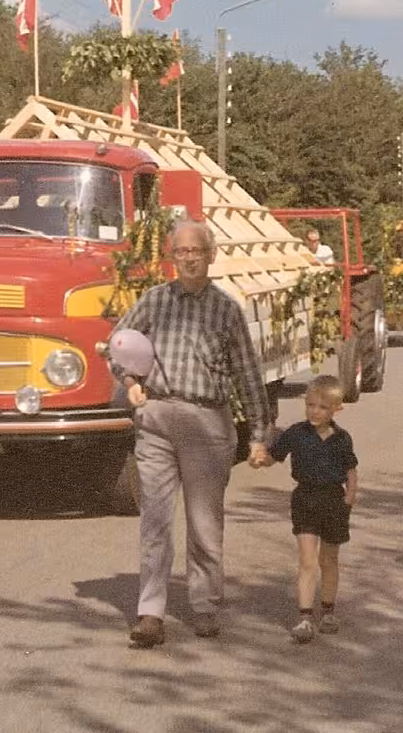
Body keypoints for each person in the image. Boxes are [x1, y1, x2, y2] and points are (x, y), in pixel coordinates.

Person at [112, 219, 273, 648]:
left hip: (208, 424)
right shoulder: (154, 301)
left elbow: (247, 374)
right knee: (156, 521)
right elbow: (119, 341)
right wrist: (129, 381)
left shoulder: (226, 309)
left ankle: (204, 604)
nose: (188, 258)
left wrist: (259, 432)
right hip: (158, 421)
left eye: (196, 251)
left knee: (204, 522)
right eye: (181, 252)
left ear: (211, 255)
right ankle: (150, 612)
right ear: (173, 256)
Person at [256, 374, 358, 644]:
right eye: (310, 405)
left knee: (329, 560)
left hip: (334, 501)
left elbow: (351, 471)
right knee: (307, 561)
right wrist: (259, 459)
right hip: (305, 499)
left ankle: (328, 611)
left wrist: (349, 498)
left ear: (337, 409)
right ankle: (304, 617)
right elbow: (273, 457)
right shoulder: (296, 433)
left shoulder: (342, 439)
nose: (315, 411)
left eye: (322, 407)